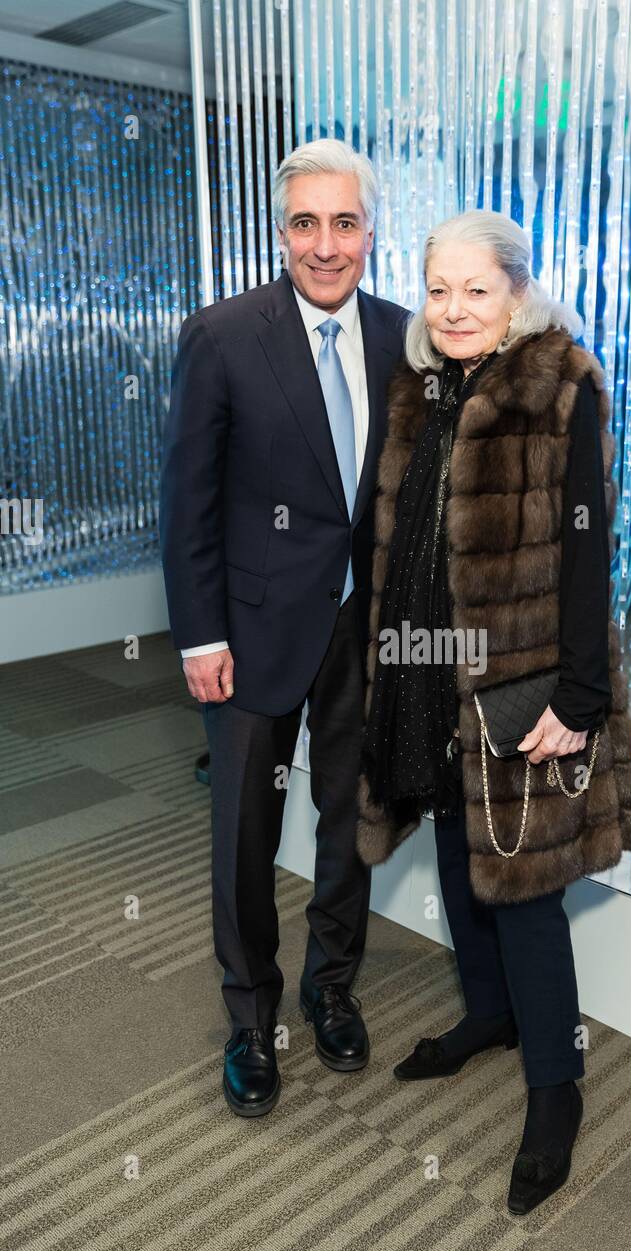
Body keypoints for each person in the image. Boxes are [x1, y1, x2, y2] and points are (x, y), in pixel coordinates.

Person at [356, 210, 631, 1213]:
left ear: (515, 292)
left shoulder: (559, 381)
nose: (450, 308)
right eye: (437, 287)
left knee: (522, 884)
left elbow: (585, 546)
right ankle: (487, 1015)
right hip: (427, 665)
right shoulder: (420, 384)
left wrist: (578, 696)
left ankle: (555, 1086)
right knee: (453, 845)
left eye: (474, 289)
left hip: (520, 682)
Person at [159, 139, 409, 1116]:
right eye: (305, 222)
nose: (324, 244)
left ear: (368, 233)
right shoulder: (222, 335)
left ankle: (329, 986)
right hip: (251, 634)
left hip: (363, 629)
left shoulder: (399, 337)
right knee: (244, 836)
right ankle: (251, 1015)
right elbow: (188, 502)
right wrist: (197, 636)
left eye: (343, 222)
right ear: (281, 232)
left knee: (351, 823)